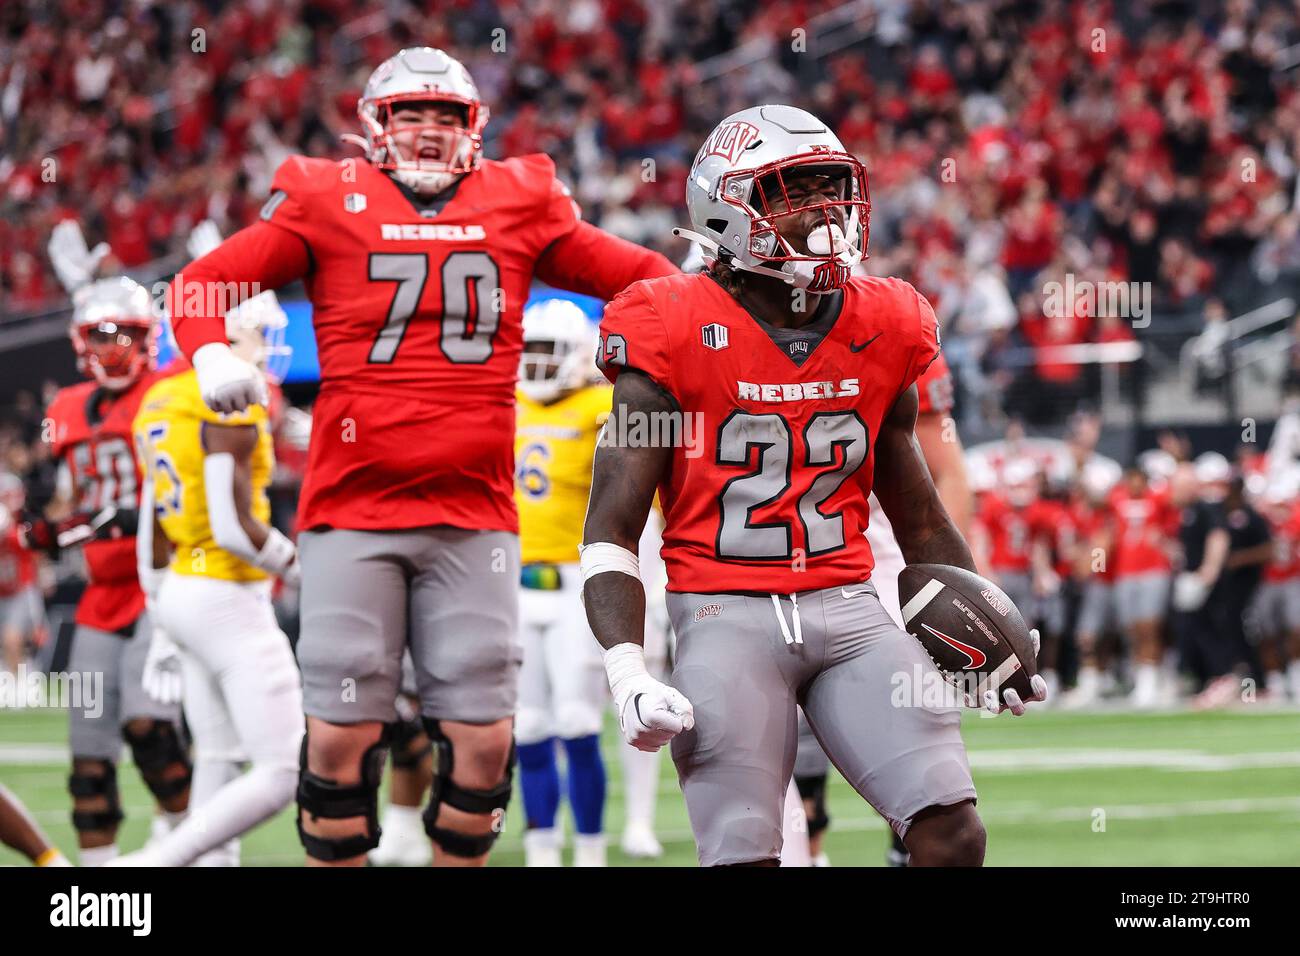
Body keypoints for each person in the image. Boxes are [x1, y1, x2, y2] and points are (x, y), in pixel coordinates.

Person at [166, 47, 677, 866]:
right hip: (351, 512)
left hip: (475, 519)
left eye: (447, 115)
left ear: (474, 126)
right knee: (337, 750)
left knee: (482, 754)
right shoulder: (323, 196)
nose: (429, 131)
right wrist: (209, 355)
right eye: (411, 113)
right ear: (376, 124)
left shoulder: (521, 197)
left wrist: (653, 361)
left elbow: (651, 279)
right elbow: (198, 287)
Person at [581, 105, 1045, 867]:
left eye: (833, 188)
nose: (826, 210)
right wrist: (627, 667)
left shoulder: (886, 321)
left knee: (952, 833)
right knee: (745, 854)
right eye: (794, 191)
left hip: (851, 608)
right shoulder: (665, 325)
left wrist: (981, 619)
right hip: (721, 611)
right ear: (727, 209)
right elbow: (613, 528)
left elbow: (921, 519)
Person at [112, 242, 304, 867]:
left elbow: (154, 525)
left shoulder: (157, 399)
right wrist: (300, 567)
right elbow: (229, 526)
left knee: (218, 757)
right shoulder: (226, 394)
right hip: (224, 589)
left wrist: (157, 606)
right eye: (258, 332)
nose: (268, 346)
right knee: (283, 766)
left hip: (180, 592)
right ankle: (153, 865)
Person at [27, 241, 191, 866]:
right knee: (88, 758)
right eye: (102, 333)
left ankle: (187, 835)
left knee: (149, 727)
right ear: (80, 341)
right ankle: (98, 880)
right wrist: (46, 527)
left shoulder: (170, 389)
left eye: (126, 331)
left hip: (161, 582)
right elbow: (70, 499)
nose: (115, 344)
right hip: (101, 595)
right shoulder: (66, 410)